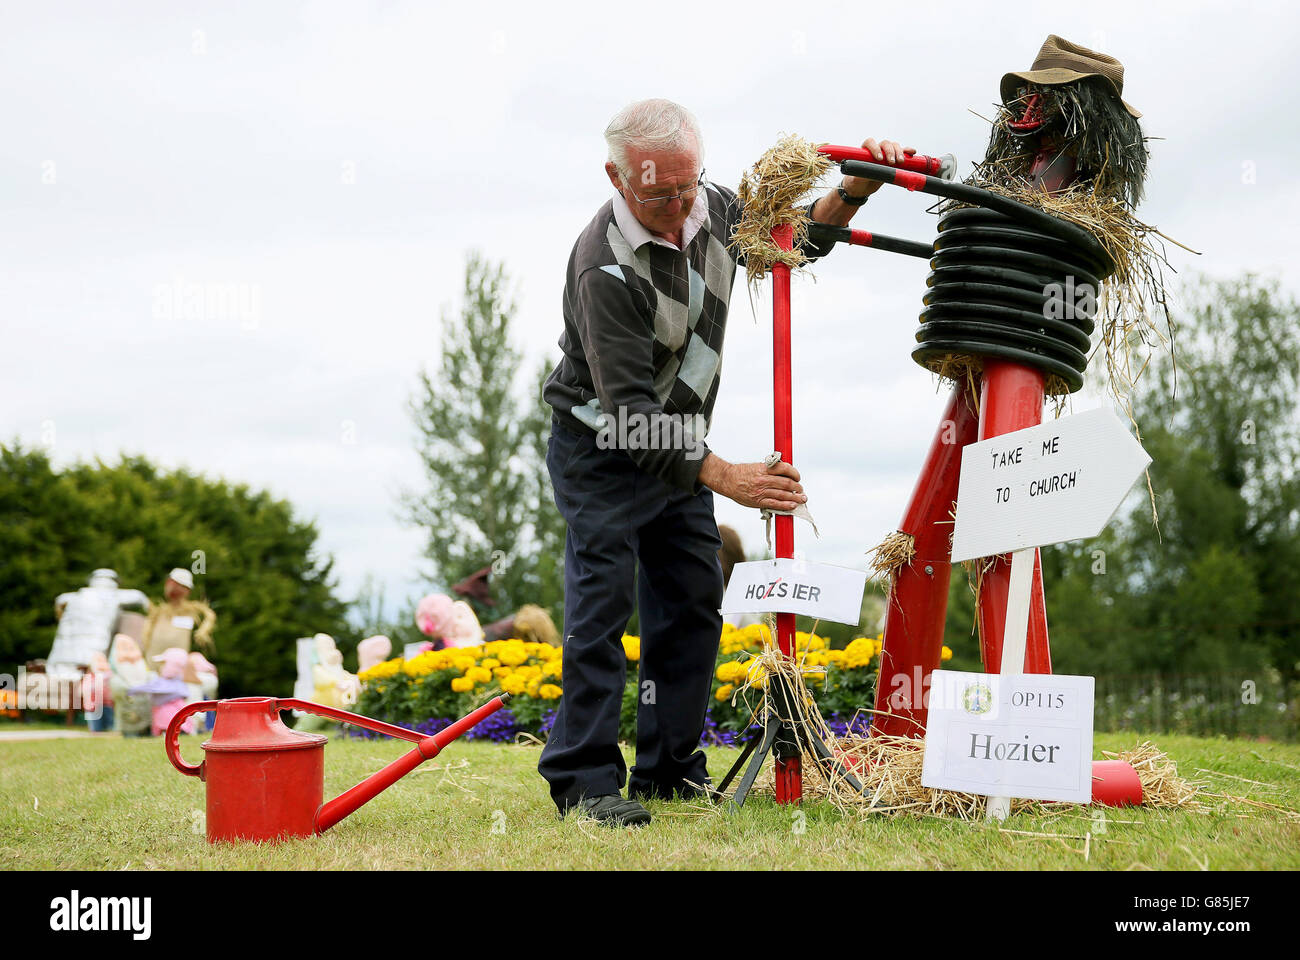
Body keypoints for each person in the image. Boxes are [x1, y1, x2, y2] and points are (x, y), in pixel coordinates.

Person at [539, 98, 909, 825]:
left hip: (675, 442)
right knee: (604, 604)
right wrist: (727, 477)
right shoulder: (601, 265)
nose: (680, 209)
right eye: (659, 195)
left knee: (690, 599)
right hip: (603, 448)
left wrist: (855, 187)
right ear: (616, 175)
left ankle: (669, 769)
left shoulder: (711, 206)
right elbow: (628, 418)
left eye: (688, 186)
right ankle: (583, 783)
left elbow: (788, 240)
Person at [141, 568, 216, 663]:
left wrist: (203, 632)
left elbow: (209, 616)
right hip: (152, 664)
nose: (173, 587)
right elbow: (146, 633)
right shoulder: (158, 612)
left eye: (179, 585)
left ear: (187, 590)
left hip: (177, 666)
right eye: (171, 583)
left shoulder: (192, 610)